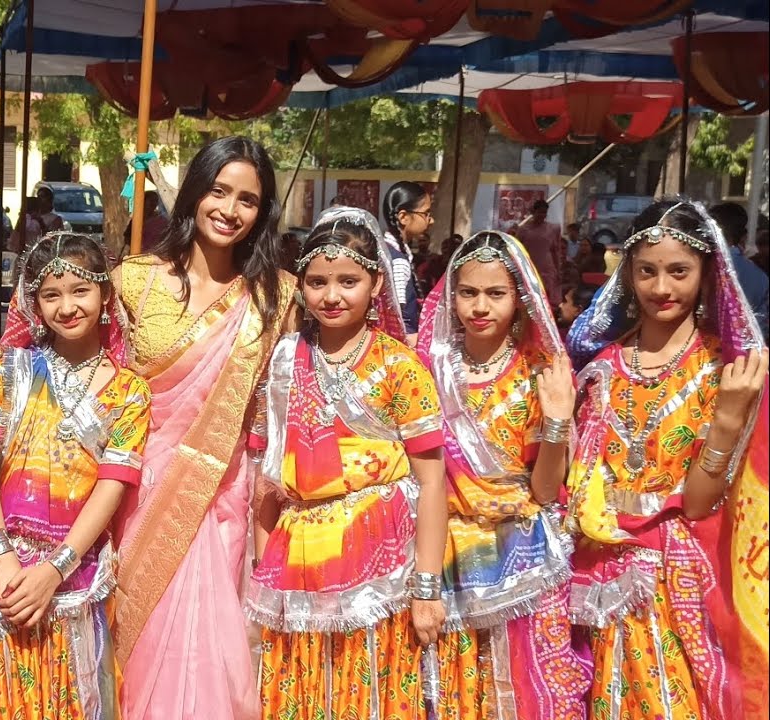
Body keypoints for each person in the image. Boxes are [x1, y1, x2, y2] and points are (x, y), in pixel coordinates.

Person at [111, 136, 296, 720]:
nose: (229, 209)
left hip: (221, 494)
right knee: (139, 651)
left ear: (261, 213)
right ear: (194, 193)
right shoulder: (133, 279)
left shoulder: (276, 295)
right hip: (137, 488)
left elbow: (279, 408)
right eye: (219, 191)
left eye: (247, 199)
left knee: (212, 654)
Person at [566, 199, 769, 719]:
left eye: (679, 271)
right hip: (599, 573)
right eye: (647, 272)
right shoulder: (603, 368)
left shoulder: (726, 370)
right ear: (628, 275)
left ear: (706, 275)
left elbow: (700, 505)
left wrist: (727, 420)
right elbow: (580, 487)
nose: (662, 288)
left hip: (679, 580)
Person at [248, 207, 447, 719]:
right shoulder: (284, 359)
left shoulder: (400, 366)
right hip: (299, 560)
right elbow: (267, 481)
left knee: (370, 696)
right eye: (317, 282)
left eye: (348, 281)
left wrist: (427, 589)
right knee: (297, 696)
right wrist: (263, 570)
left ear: (376, 282)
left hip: (379, 561)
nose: (331, 296)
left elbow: (431, 484)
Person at [0, 232, 150, 718]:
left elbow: (111, 487)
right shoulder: (7, 370)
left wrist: (53, 570)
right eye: (51, 294)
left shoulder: (129, 392)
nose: (67, 306)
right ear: (32, 303)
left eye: (80, 290)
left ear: (106, 294)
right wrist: (6, 564)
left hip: (73, 573)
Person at [416, 232, 590, 719]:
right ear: (451, 295)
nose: (480, 306)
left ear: (521, 297)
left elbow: (545, 490)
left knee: (530, 689)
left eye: (496, 294)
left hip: (524, 552)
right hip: (445, 551)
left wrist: (557, 420)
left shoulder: (541, 371)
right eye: (468, 292)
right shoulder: (428, 368)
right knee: (453, 692)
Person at [708, 202, 769, 333]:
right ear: (743, 236)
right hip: (745, 350)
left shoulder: (700, 266)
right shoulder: (760, 277)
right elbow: (760, 329)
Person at [381, 181, 431, 342]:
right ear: (403, 217)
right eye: (426, 213)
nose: (431, 220)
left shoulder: (389, 252)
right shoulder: (397, 261)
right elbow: (396, 320)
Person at [508, 199, 564, 308]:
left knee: (547, 297)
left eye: (544, 212)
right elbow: (517, 250)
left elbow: (555, 250)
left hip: (547, 268)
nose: (542, 215)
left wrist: (558, 269)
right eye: (540, 212)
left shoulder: (553, 229)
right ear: (533, 212)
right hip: (529, 266)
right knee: (530, 296)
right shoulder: (523, 230)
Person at [123, 190, 169, 255]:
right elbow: (127, 237)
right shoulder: (136, 219)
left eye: (155, 201)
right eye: (150, 201)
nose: (153, 204)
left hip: (156, 254)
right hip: (138, 255)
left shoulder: (162, 221)